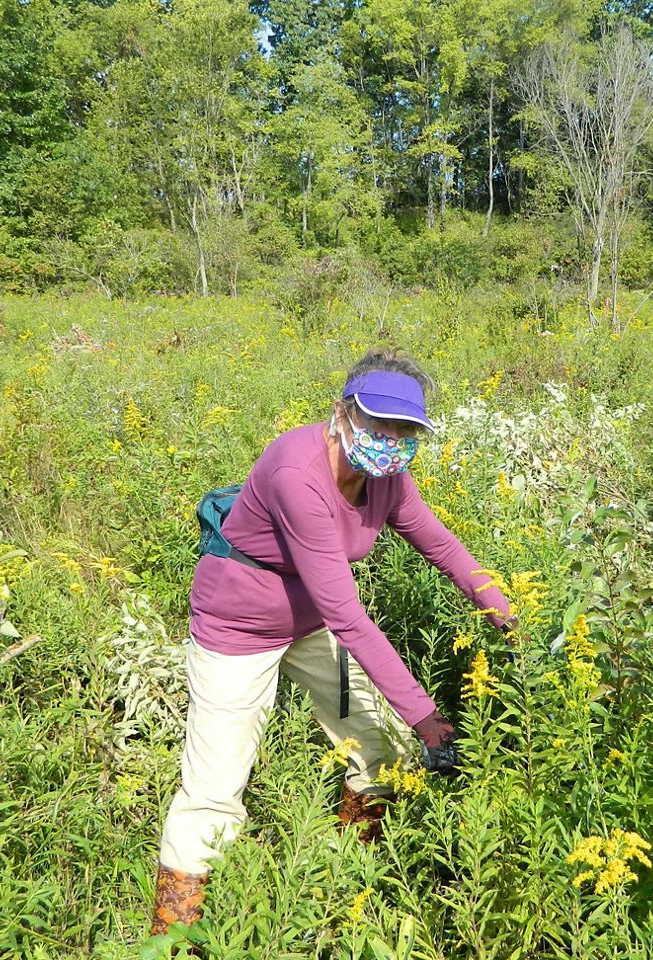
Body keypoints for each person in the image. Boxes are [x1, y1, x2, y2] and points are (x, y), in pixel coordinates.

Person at [151, 348, 513, 935]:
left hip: (310, 622)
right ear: (343, 414)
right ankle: (171, 937)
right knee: (214, 791)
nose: (391, 440)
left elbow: (441, 546)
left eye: (406, 430)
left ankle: (343, 887)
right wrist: (426, 717)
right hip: (237, 628)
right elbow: (349, 617)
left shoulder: (386, 479)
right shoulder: (298, 473)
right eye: (378, 424)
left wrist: (504, 608)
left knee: (379, 748)